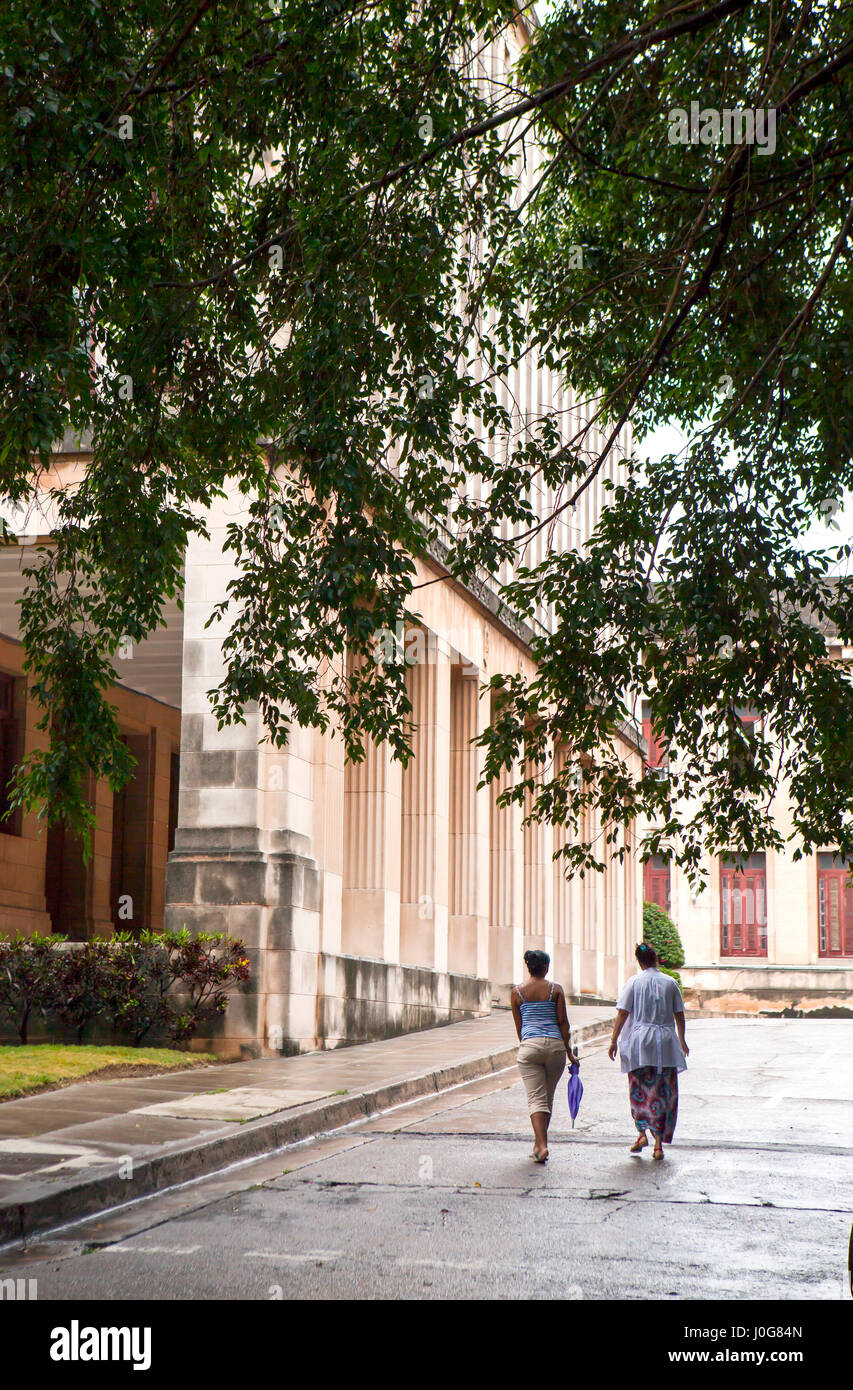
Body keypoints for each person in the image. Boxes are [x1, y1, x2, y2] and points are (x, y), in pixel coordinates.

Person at [608, 942, 689, 1160]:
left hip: (639, 1043)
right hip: (665, 1044)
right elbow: (679, 1015)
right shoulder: (670, 983)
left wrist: (614, 1040)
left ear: (639, 961)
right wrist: (682, 1040)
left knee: (639, 1090)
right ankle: (658, 1145)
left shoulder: (633, 983)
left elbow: (623, 1013)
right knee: (662, 1092)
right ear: (656, 958)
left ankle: (642, 1133)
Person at [511, 949, 579, 1163]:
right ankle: (540, 1143)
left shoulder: (517, 992)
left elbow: (519, 1026)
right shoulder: (555, 990)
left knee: (536, 1098)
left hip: (530, 1046)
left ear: (528, 967)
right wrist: (570, 1053)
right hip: (555, 1048)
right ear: (546, 968)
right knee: (546, 1098)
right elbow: (563, 1023)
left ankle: (540, 1145)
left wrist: (526, 1044)